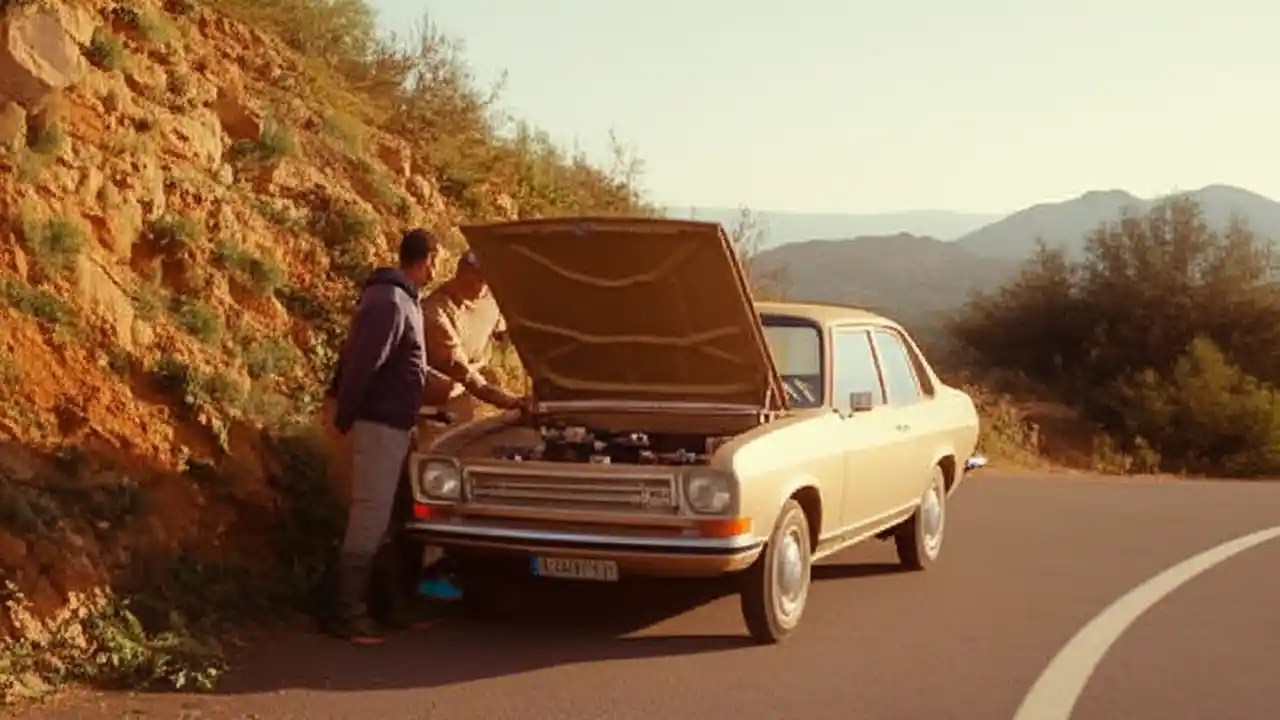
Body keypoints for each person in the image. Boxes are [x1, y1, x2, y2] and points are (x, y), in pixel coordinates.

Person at [323, 228, 440, 644]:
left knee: (388, 518)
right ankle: (347, 612)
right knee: (369, 516)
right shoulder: (390, 301)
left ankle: (390, 606)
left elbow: (404, 364)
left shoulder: (403, 300)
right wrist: (343, 417)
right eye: (436, 260)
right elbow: (361, 364)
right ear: (428, 259)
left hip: (395, 426)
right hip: (378, 427)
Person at [413, 249, 529, 600]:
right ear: (460, 273)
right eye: (476, 279)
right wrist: (508, 400)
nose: (481, 287)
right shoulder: (436, 311)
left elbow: (506, 333)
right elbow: (461, 371)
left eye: (486, 281)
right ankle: (430, 573)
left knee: (474, 491)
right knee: (437, 493)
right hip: (437, 411)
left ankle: (473, 566)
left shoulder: (490, 301)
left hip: (473, 412)